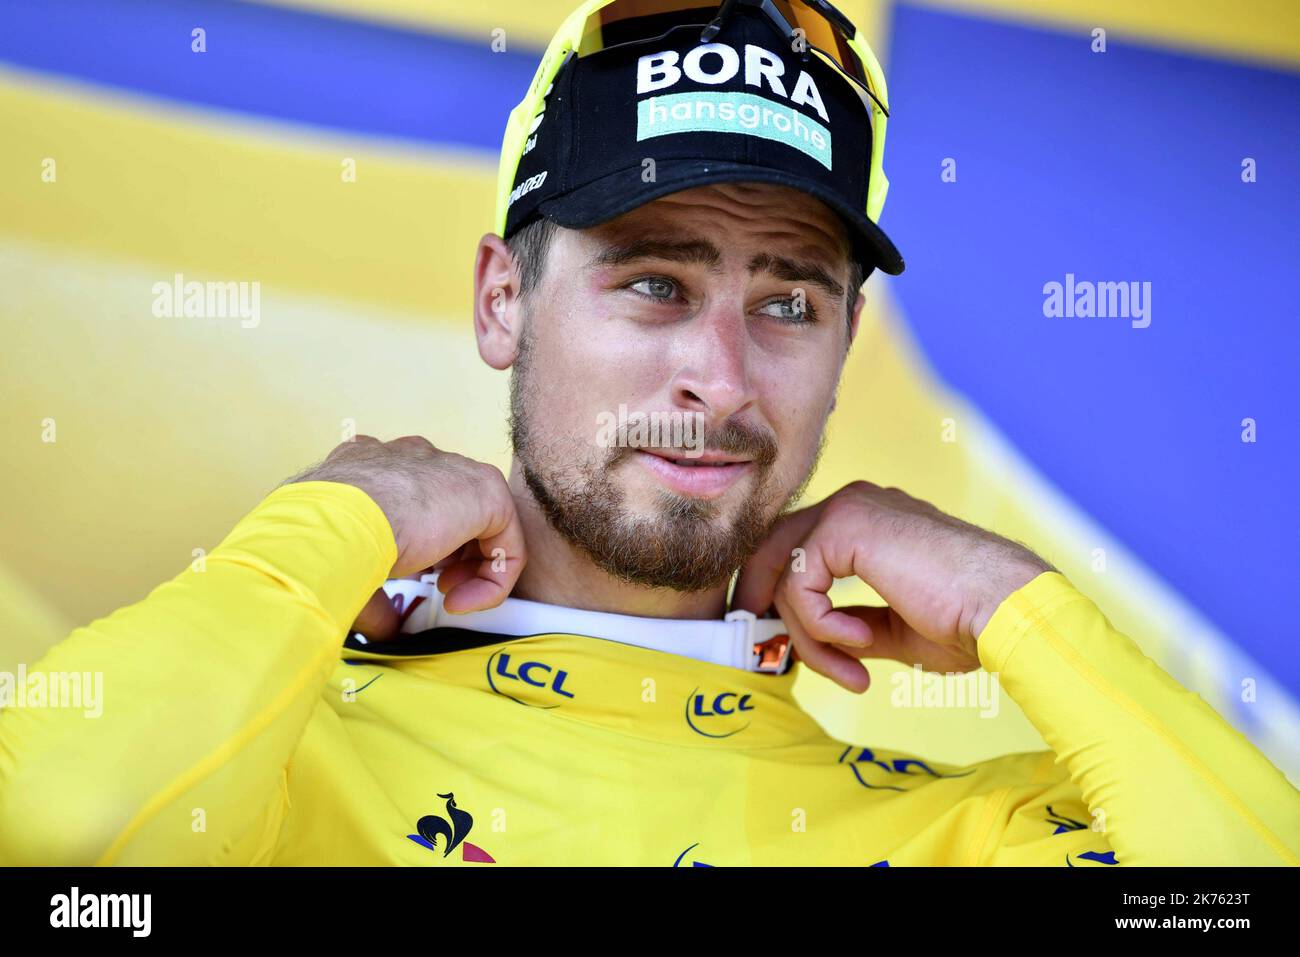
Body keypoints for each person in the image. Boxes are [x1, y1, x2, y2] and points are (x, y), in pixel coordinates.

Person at [1, 0, 1295, 867]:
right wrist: (329, 527)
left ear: (848, 349)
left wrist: (1016, 600)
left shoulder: (955, 823)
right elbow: (61, 827)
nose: (720, 378)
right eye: (656, 283)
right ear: (502, 302)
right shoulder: (279, 747)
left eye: (789, 302)